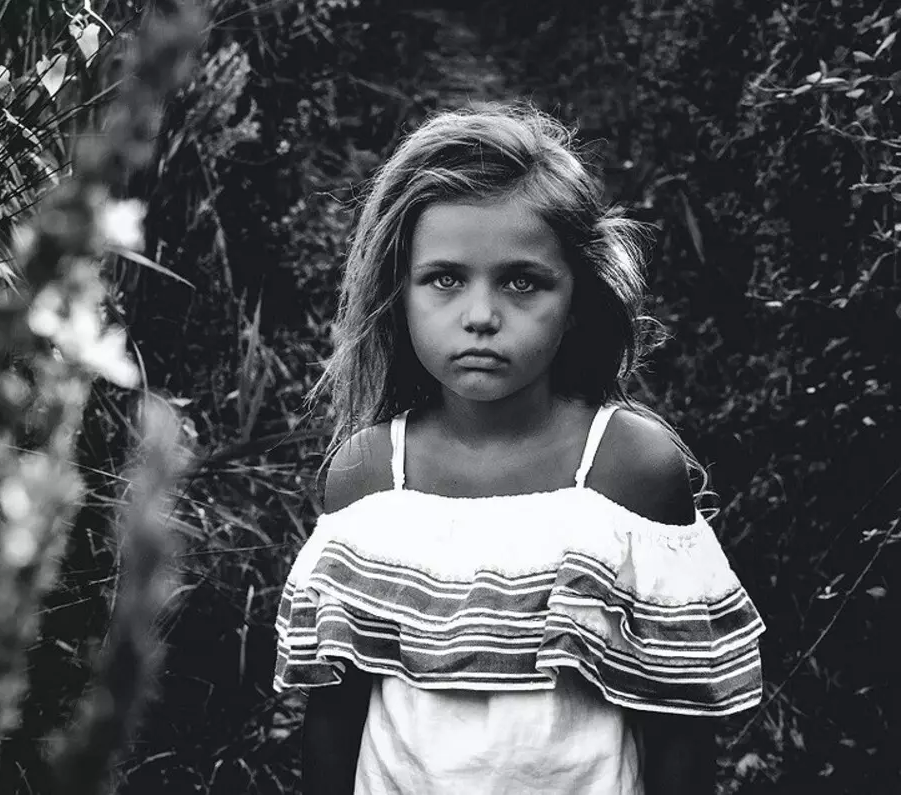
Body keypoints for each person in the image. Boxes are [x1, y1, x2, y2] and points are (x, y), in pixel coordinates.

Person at [273, 103, 766, 794]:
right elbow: (334, 719)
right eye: (445, 278)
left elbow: (676, 730)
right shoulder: (367, 477)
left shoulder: (630, 470)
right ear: (400, 290)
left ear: (576, 299)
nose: (480, 314)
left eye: (522, 280)